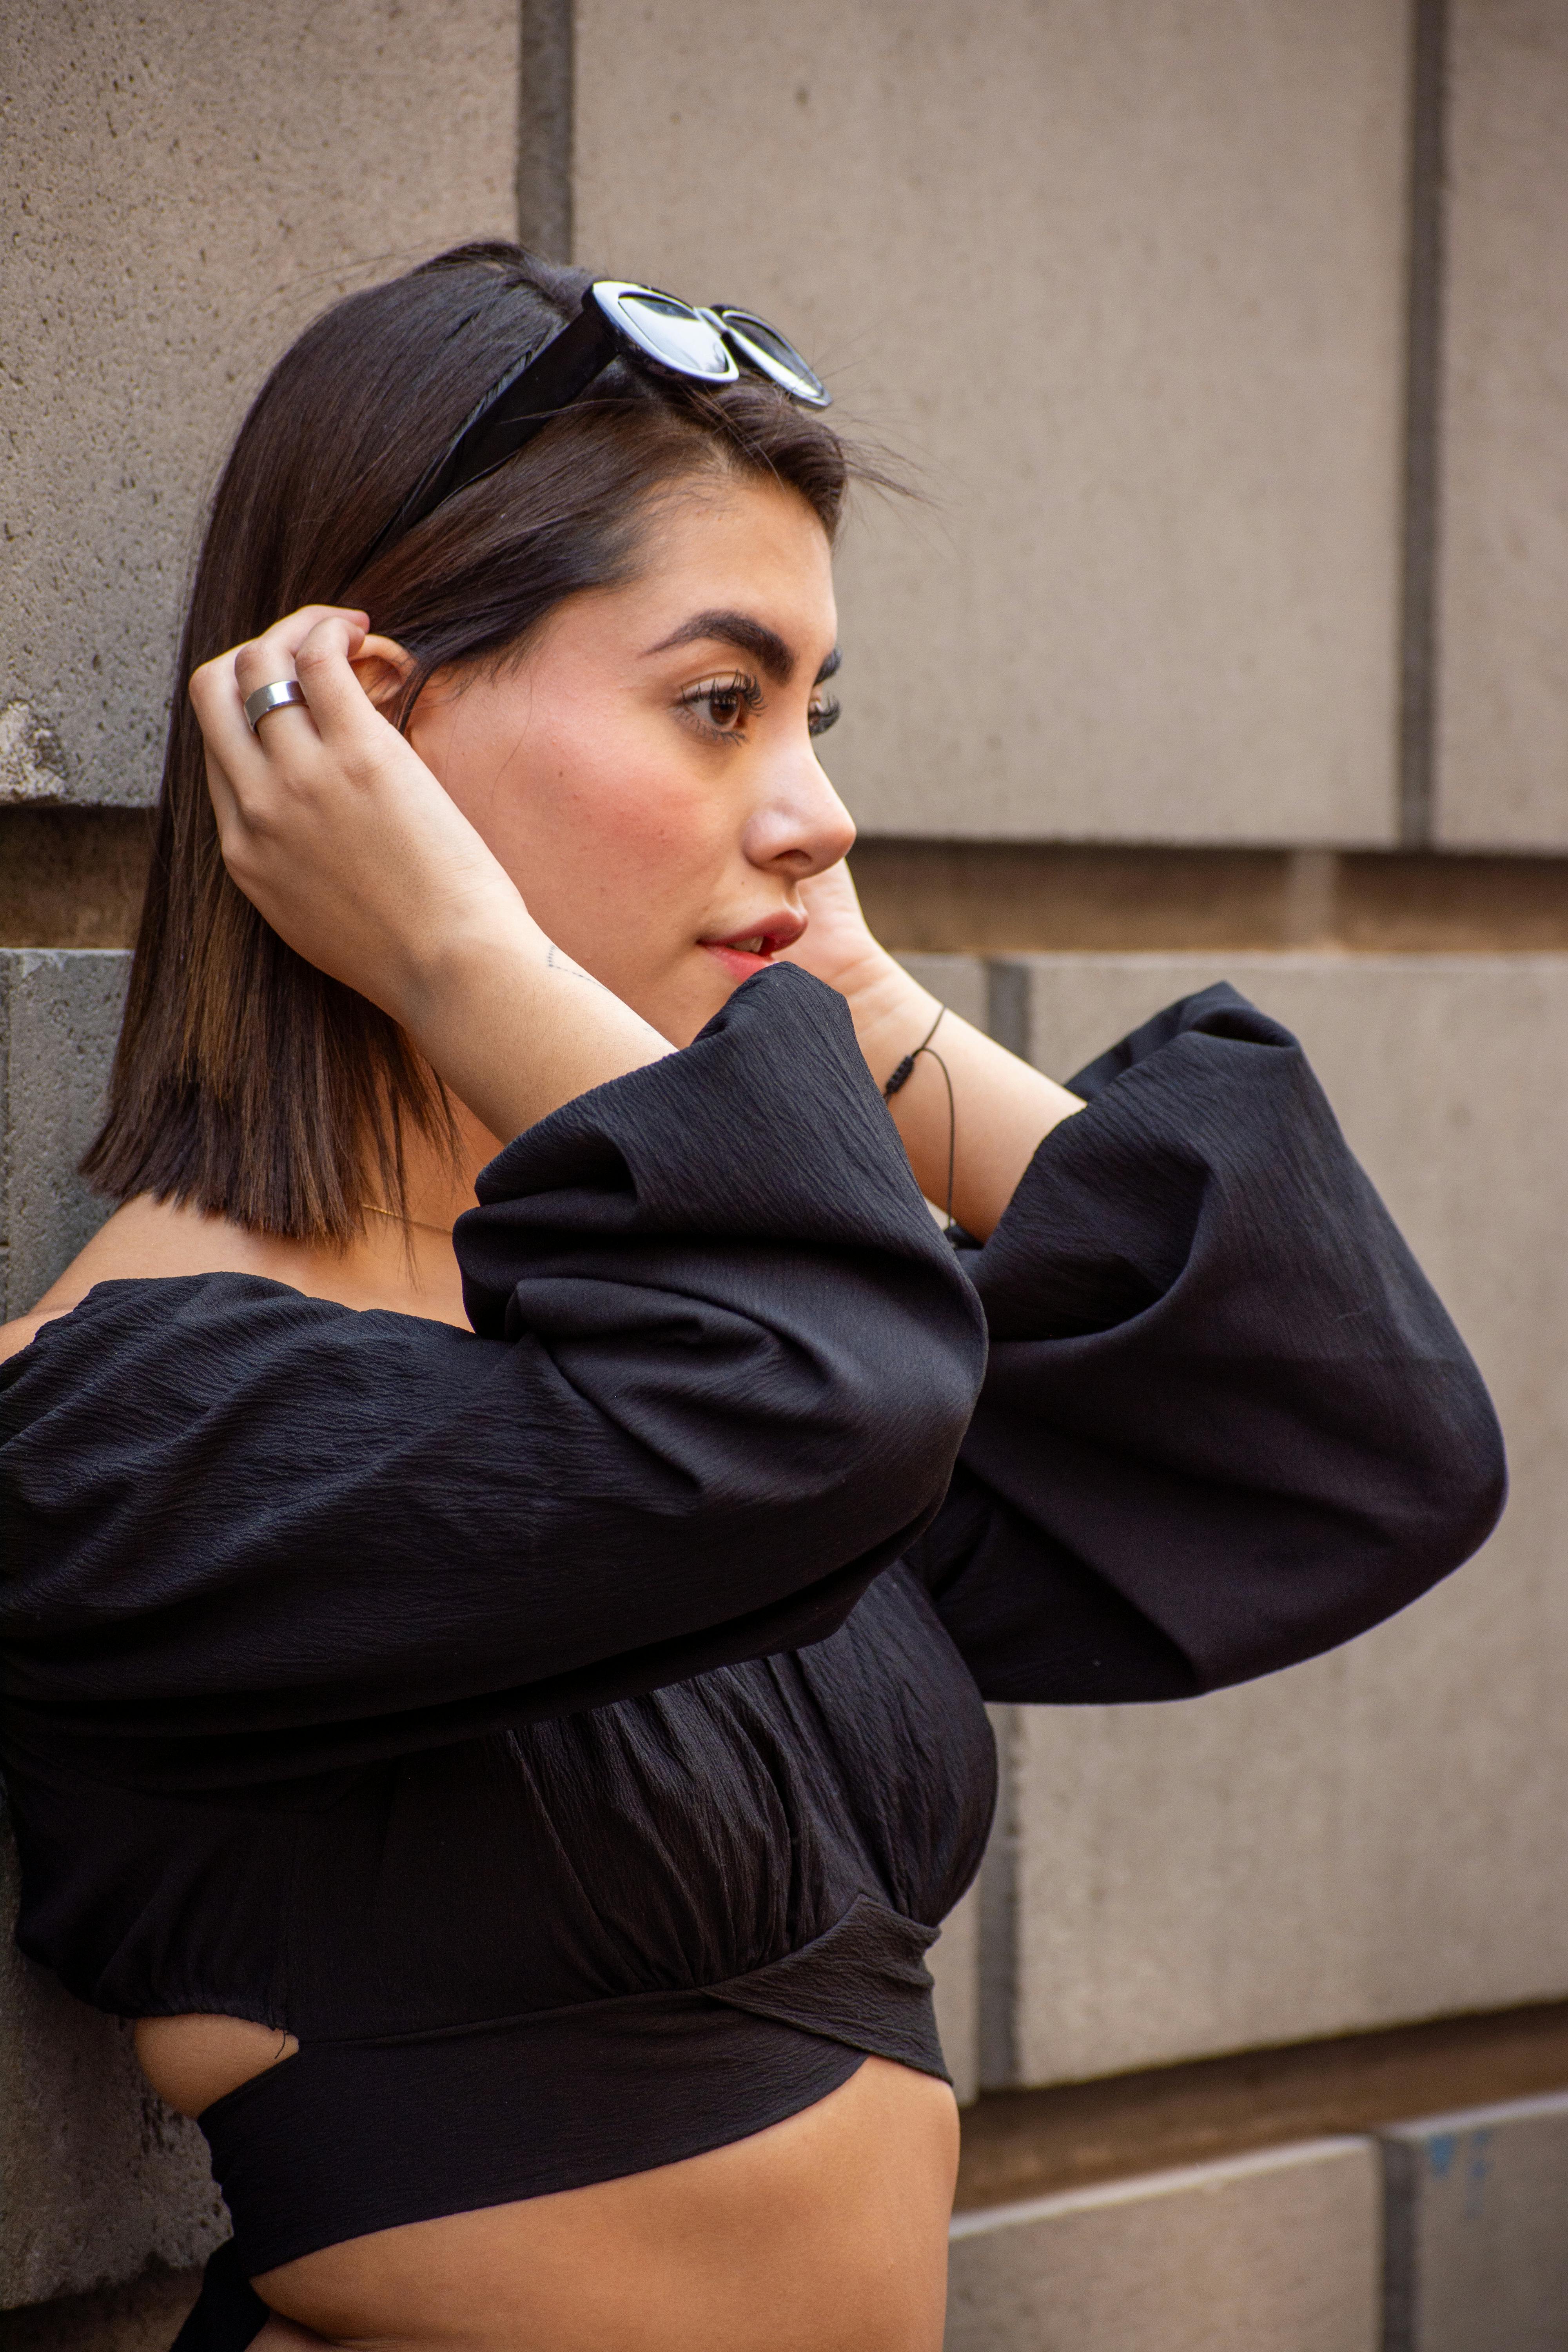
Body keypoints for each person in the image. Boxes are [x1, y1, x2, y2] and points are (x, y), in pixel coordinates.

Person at [0, 245, 1504, 2352]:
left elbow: (1349, 1438)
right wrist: (451, 959)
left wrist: (859, 997)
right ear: (372, 714)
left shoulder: (695, 1350)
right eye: (721, 703)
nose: (819, 807)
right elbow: (824, 1385)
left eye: (817, 713)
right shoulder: (126, 1437)